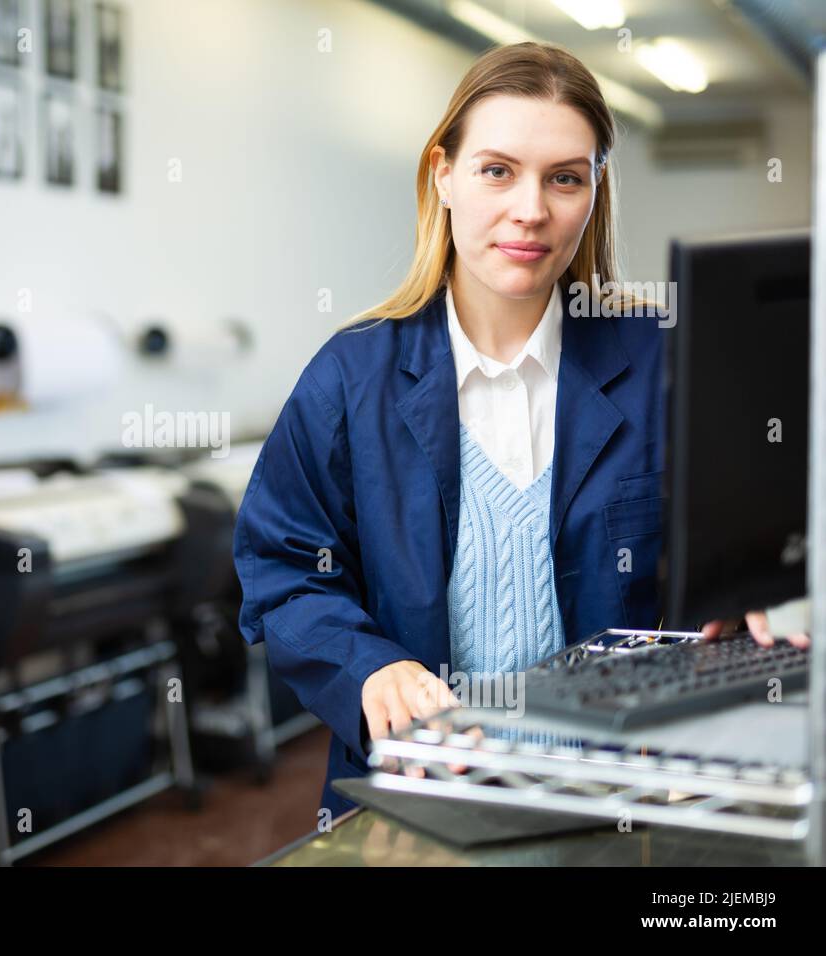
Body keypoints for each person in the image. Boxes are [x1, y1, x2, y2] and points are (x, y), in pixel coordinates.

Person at [232, 42, 809, 820]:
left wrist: (763, 597)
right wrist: (367, 667)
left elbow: (753, 546)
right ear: (443, 174)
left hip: (628, 801)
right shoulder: (350, 379)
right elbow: (285, 568)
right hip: (422, 799)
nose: (531, 209)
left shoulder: (667, 364)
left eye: (565, 178)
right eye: (497, 170)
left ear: (595, 191)